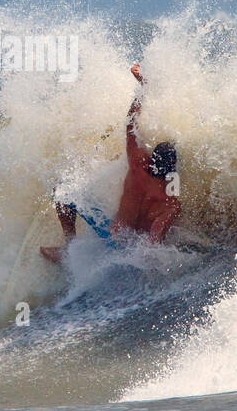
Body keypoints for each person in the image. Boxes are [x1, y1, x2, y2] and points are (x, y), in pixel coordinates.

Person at [40, 62, 181, 263]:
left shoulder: (137, 165)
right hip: (130, 251)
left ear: (152, 160)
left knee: (63, 191)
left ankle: (68, 247)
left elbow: (131, 123)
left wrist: (144, 88)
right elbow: (154, 242)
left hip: (111, 236)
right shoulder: (170, 205)